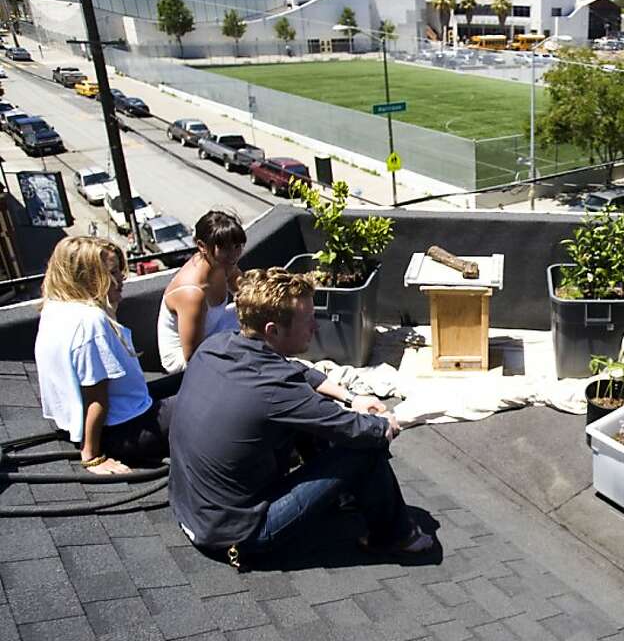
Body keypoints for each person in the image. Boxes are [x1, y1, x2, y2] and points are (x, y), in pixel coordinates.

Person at [169, 267, 432, 562]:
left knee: (308, 420)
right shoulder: (277, 389)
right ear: (273, 330)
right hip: (239, 534)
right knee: (366, 450)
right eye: (308, 321)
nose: (315, 328)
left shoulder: (216, 346)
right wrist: (384, 424)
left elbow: (298, 372)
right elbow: (358, 429)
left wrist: (351, 396)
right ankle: (395, 537)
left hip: (193, 512)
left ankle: (343, 495)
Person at [34, 236, 173, 475]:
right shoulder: (89, 321)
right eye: (113, 273)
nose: (122, 278)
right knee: (209, 397)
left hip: (120, 416)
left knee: (195, 374)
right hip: (127, 431)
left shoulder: (55, 307)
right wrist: (93, 456)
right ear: (86, 277)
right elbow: (95, 396)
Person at [157, 210, 245, 373]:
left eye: (237, 246)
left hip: (212, 330)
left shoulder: (224, 264)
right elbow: (193, 356)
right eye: (224, 248)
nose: (233, 254)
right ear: (202, 246)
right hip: (184, 357)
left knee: (260, 316)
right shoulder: (193, 293)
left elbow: (247, 294)